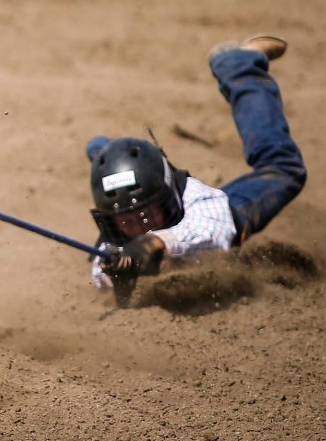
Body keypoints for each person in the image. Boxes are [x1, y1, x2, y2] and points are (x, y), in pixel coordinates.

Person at [88, 35, 306, 301]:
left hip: (221, 212)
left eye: (148, 216)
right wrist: (115, 274)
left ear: (169, 198)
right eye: (128, 221)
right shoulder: (115, 231)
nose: (141, 227)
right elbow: (101, 271)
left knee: (285, 168)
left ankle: (240, 65)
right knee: (113, 163)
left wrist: (155, 242)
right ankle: (103, 149)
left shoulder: (203, 205)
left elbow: (209, 233)